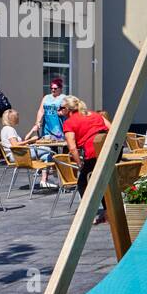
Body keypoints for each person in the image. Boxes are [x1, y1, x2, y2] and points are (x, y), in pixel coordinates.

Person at [60, 96, 112, 224]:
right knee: (103, 181)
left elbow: (72, 147)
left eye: (61, 108)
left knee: (83, 183)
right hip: (109, 150)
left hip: (93, 152)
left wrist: (79, 164)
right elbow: (111, 128)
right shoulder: (95, 115)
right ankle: (108, 212)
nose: (59, 111)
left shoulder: (69, 122)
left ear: (67, 109)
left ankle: (89, 214)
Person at [0, 110, 54, 187]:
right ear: (11, 119)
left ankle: (43, 180)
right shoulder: (9, 129)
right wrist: (31, 140)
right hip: (17, 156)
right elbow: (15, 145)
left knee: (47, 156)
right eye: (16, 117)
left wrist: (32, 131)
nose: (18, 118)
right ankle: (46, 171)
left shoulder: (6, 129)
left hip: (17, 154)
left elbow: (23, 140)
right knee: (47, 149)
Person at [30, 76, 67, 142]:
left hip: (58, 126)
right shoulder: (46, 97)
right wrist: (37, 122)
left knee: (58, 145)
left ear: (60, 88)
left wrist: (62, 113)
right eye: (51, 88)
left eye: (55, 88)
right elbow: (41, 111)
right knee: (47, 143)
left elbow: (67, 111)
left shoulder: (63, 98)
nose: (53, 90)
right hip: (47, 126)